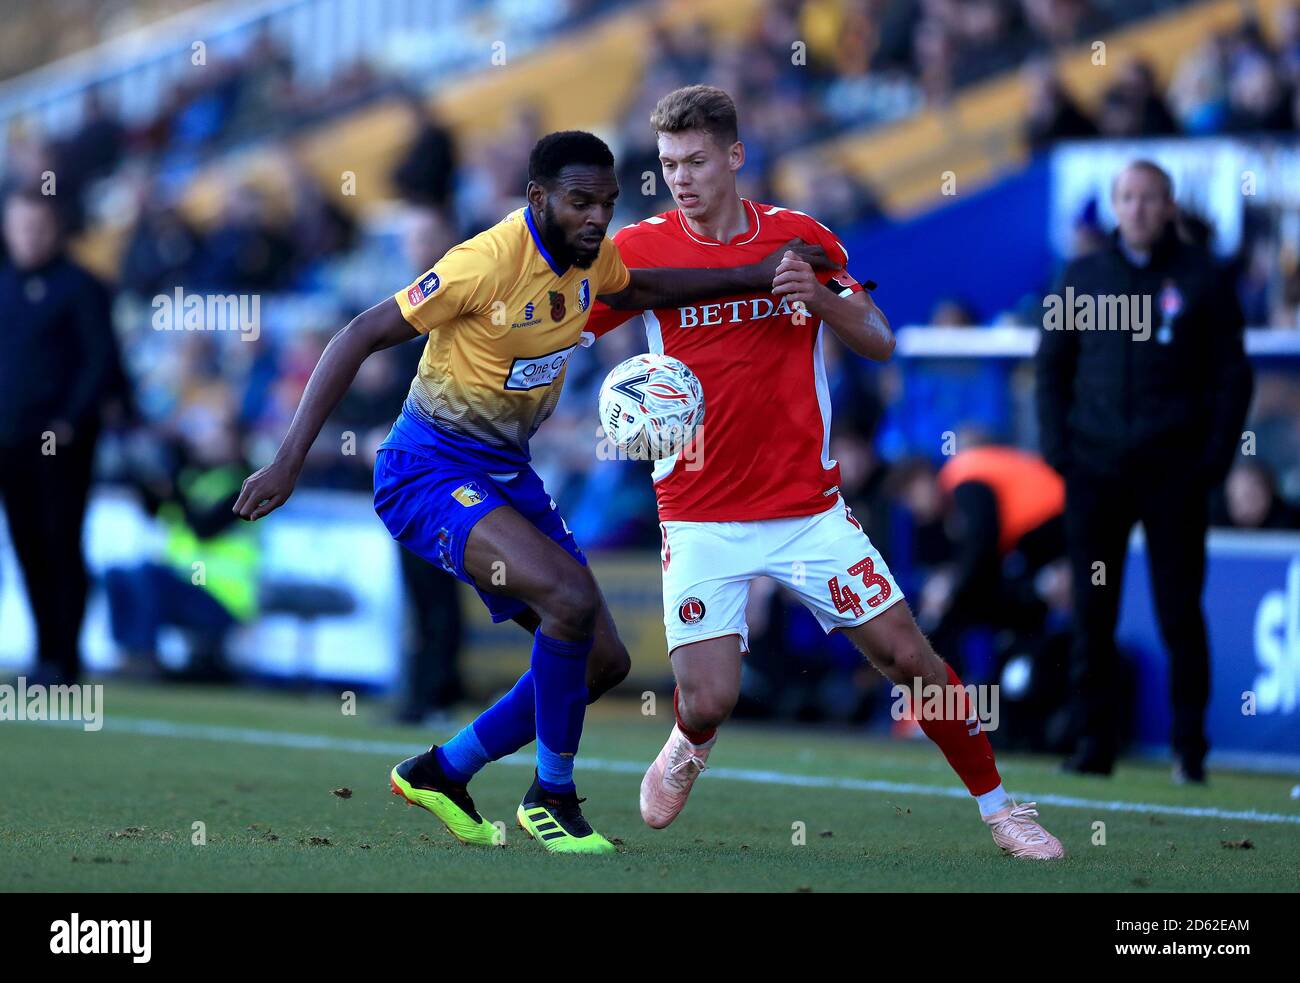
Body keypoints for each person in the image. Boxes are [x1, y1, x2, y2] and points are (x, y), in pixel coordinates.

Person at [234, 130, 831, 854]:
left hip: (507, 473)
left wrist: (757, 271)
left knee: (604, 660)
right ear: (537, 197)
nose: (596, 218)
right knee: (569, 602)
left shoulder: (589, 256)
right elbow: (358, 334)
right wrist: (287, 460)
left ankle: (442, 769)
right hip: (428, 472)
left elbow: (639, 288)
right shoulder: (483, 262)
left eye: (606, 204)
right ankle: (551, 796)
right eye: (580, 202)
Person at [582, 86, 1064, 859]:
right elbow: (575, 320)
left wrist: (822, 300)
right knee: (712, 696)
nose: (682, 177)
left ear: (735, 156)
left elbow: (877, 338)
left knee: (911, 656)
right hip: (700, 513)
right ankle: (687, 739)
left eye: (697, 161)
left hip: (808, 509)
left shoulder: (800, 238)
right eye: (670, 163)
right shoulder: (639, 250)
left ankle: (1002, 808)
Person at [1036, 159, 1254, 783]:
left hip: (1174, 474)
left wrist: (1214, 459)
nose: (1136, 208)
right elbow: (1050, 369)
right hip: (1095, 472)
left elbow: (1232, 377)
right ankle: (1092, 746)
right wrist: (1060, 452)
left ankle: (1190, 749)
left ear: (1168, 206)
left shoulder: (1203, 279)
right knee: (1092, 611)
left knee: (1179, 610)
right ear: (1114, 204)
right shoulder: (1080, 277)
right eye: (1126, 197)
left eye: (1149, 198)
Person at [0, 187, 124, 685]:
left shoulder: (81, 286)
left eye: (38, 226)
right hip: (10, 439)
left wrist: (70, 419)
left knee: (61, 542)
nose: (29, 236)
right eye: (21, 226)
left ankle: (65, 656)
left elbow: (101, 361)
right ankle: (44, 650)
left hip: (60, 443)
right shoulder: (5, 284)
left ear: (56, 228)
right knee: (26, 543)